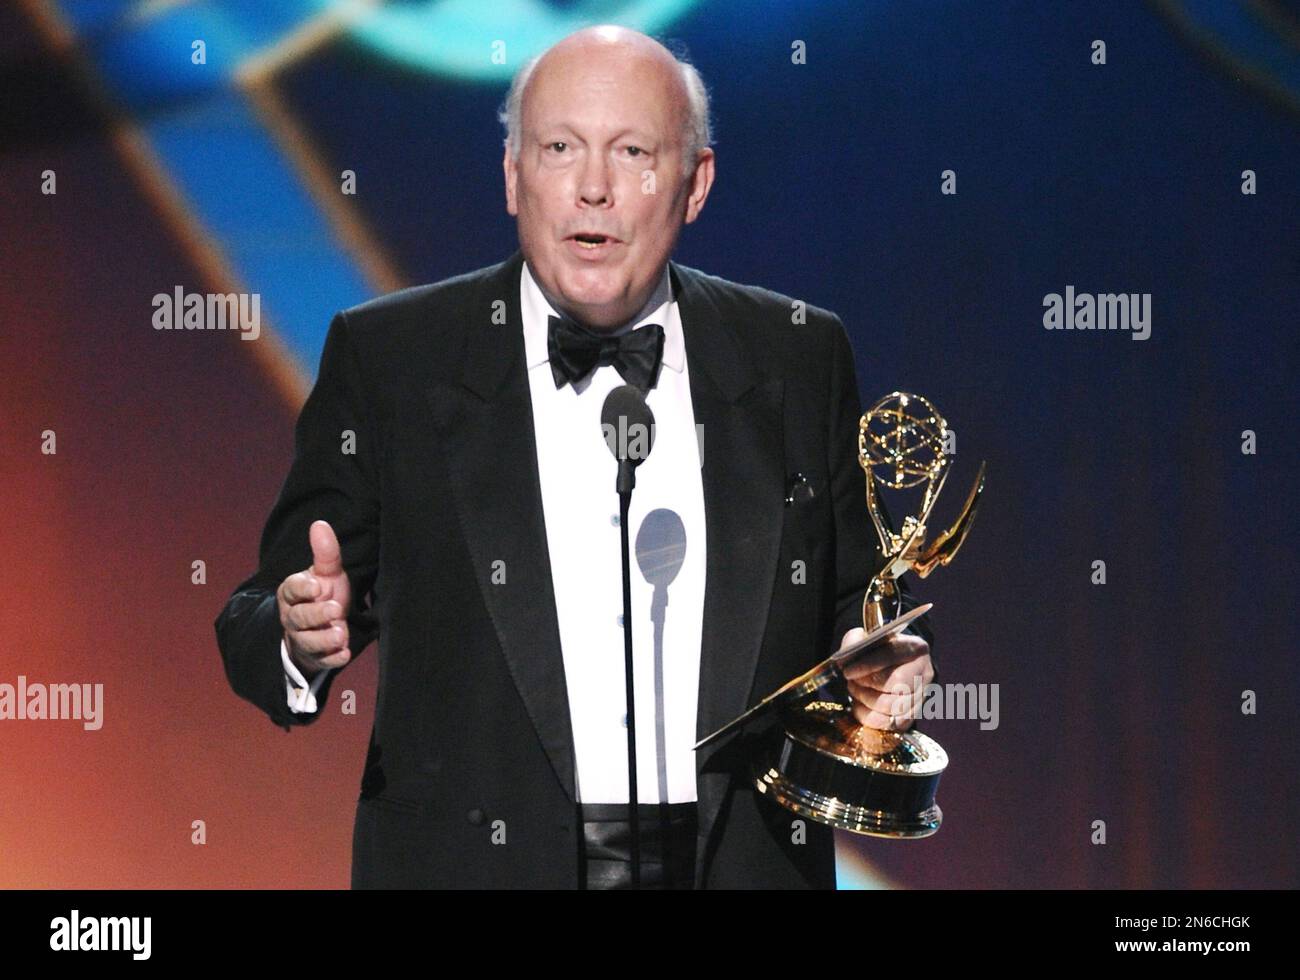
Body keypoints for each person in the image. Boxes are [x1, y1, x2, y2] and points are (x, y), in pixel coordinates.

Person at [214, 24, 934, 889]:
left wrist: (878, 680)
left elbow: (857, 607)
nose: (593, 189)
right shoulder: (394, 361)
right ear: (513, 175)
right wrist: (299, 633)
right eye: (560, 149)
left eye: (632, 152)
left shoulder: (797, 357)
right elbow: (257, 621)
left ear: (695, 183)